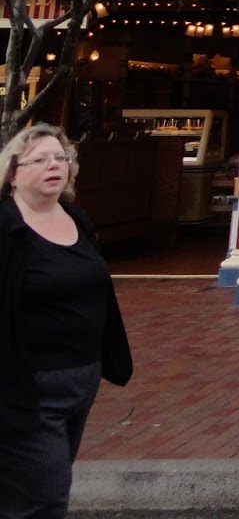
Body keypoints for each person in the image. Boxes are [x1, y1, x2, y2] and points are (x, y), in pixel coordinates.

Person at [1, 123, 133, 519]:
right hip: (26, 388)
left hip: (81, 380)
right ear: (12, 172)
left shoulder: (77, 220)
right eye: (39, 159)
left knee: (28, 490)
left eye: (60, 158)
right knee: (46, 498)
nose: (53, 165)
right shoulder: (6, 229)